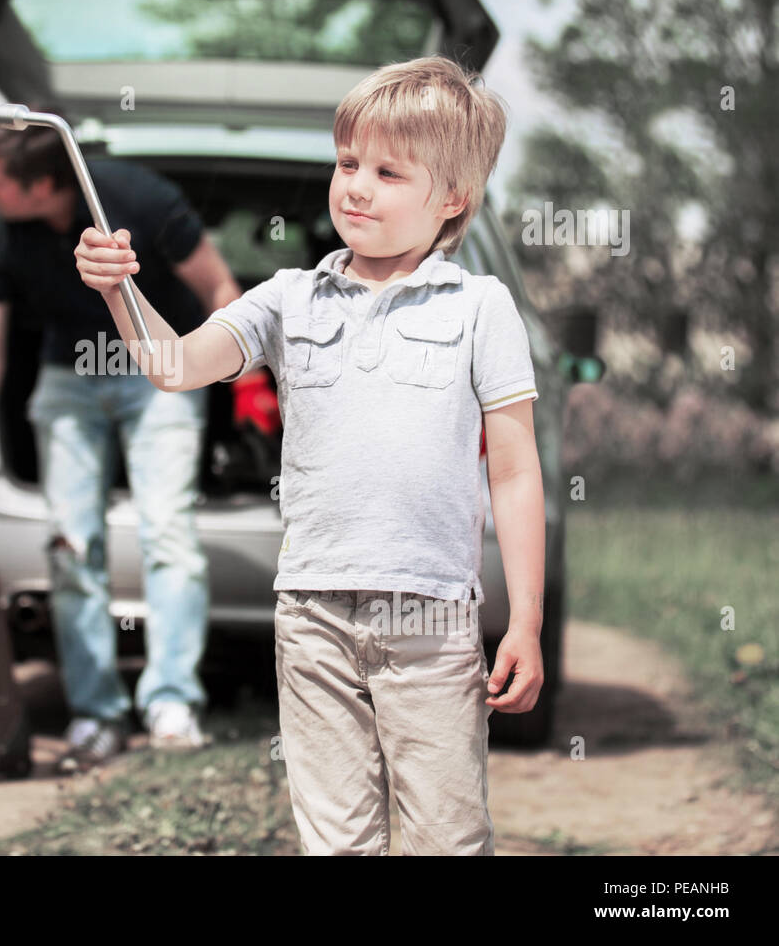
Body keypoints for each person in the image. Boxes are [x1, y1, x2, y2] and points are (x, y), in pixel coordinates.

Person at [73, 55, 545, 855]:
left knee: (447, 835)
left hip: (431, 614)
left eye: (389, 172)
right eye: (348, 162)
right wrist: (120, 291)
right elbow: (173, 364)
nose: (356, 186)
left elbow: (514, 467)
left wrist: (525, 619)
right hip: (310, 610)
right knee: (336, 838)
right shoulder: (288, 297)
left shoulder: (480, 307)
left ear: (454, 197)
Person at [0, 117, 242, 768]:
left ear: (44, 183)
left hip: (162, 369)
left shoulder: (140, 198)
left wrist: (241, 379)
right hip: (69, 378)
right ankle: (95, 711)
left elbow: (219, 290)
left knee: (168, 530)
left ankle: (173, 703)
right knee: (70, 539)